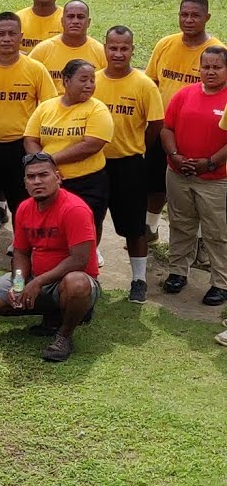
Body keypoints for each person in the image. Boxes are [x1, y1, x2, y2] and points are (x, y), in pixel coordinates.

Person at [0, 153, 101, 362]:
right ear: (25, 183)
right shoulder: (24, 208)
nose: (37, 181)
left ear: (58, 177)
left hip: (70, 279)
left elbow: (80, 260)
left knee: (77, 284)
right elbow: (21, 252)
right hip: (37, 277)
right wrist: (19, 284)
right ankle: (56, 313)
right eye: (31, 177)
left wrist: (38, 282)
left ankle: (64, 334)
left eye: (43, 175)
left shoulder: (75, 209)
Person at [0, 12, 58, 229]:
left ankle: (22, 246)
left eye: (12, 34)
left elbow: (49, 108)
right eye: (1, 34)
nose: (6, 39)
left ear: (21, 36)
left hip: (21, 147)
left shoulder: (36, 69)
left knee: (23, 205)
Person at [94, 26, 164, 302]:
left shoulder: (144, 84)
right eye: (113, 48)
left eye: (124, 48)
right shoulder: (93, 81)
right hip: (95, 164)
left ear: (133, 50)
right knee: (92, 221)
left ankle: (138, 280)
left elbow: (156, 123)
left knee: (134, 228)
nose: (118, 53)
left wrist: (138, 147)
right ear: (105, 48)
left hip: (129, 165)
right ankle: (90, 275)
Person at [145, 0, 223, 240]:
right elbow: (151, 82)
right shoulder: (165, 44)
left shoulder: (216, 53)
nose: (188, 20)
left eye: (195, 15)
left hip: (201, 131)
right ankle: (151, 227)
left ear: (207, 17)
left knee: (200, 186)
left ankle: (199, 239)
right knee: (155, 182)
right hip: (163, 128)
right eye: (184, 14)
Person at [160, 46, 227, 306]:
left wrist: (209, 164)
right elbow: (167, 128)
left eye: (217, 67)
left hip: (216, 179)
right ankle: (178, 272)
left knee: (217, 232)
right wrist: (175, 156)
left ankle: (221, 283)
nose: (210, 71)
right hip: (179, 174)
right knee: (180, 224)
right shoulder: (184, 94)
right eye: (205, 67)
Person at [24, 59, 113, 240]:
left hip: (87, 183)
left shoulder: (98, 109)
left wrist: (50, 161)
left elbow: (91, 145)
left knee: (86, 229)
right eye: (83, 80)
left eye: (92, 80)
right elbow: (30, 139)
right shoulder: (46, 107)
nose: (89, 85)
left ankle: (89, 256)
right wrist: (42, 165)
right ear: (66, 81)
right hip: (51, 182)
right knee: (52, 229)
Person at [29, 0, 106, 94]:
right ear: (62, 21)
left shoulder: (101, 52)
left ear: (88, 22)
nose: (75, 21)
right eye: (70, 17)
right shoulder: (43, 50)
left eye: (80, 17)